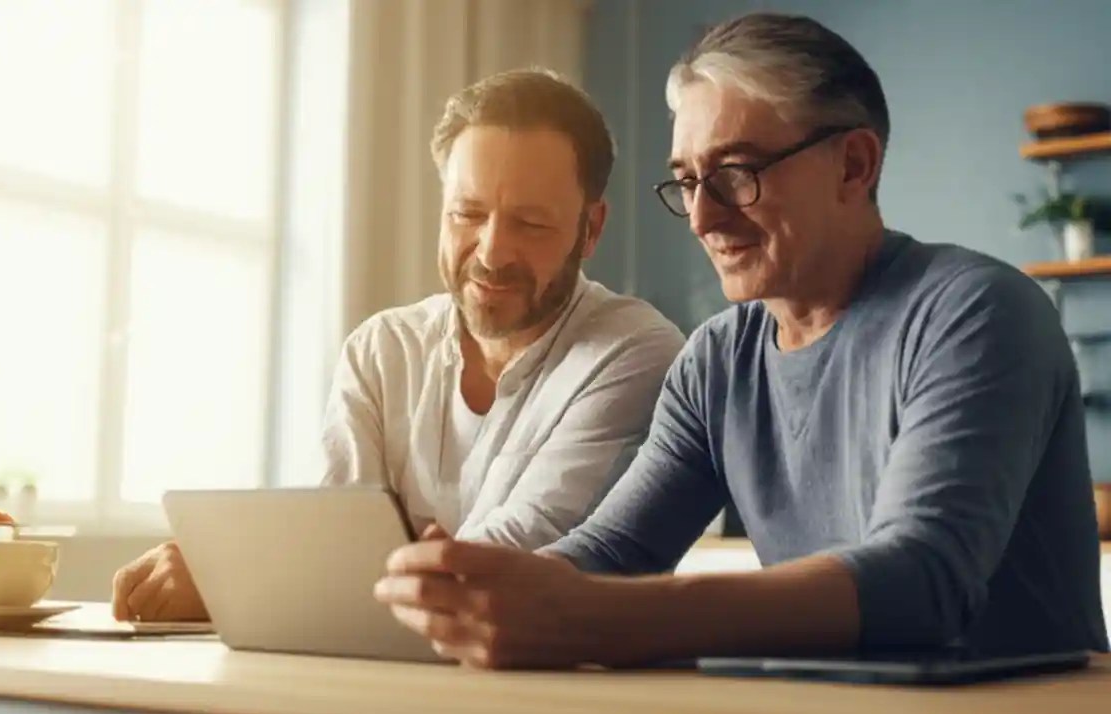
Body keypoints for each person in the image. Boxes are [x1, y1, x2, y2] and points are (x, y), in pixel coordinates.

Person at [374, 12, 1110, 668]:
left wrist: (583, 614)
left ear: (854, 164)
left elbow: (921, 582)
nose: (703, 218)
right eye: (687, 181)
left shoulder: (976, 311)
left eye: (736, 173)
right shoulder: (717, 362)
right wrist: (474, 586)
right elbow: (612, 554)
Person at [111, 69, 685, 622]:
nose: (490, 252)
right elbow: (334, 541)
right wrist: (242, 574)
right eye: (467, 214)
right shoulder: (382, 349)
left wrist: (235, 581)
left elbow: (510, 562)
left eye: (531, 224)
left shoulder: (634, 351)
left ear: (592, 228)